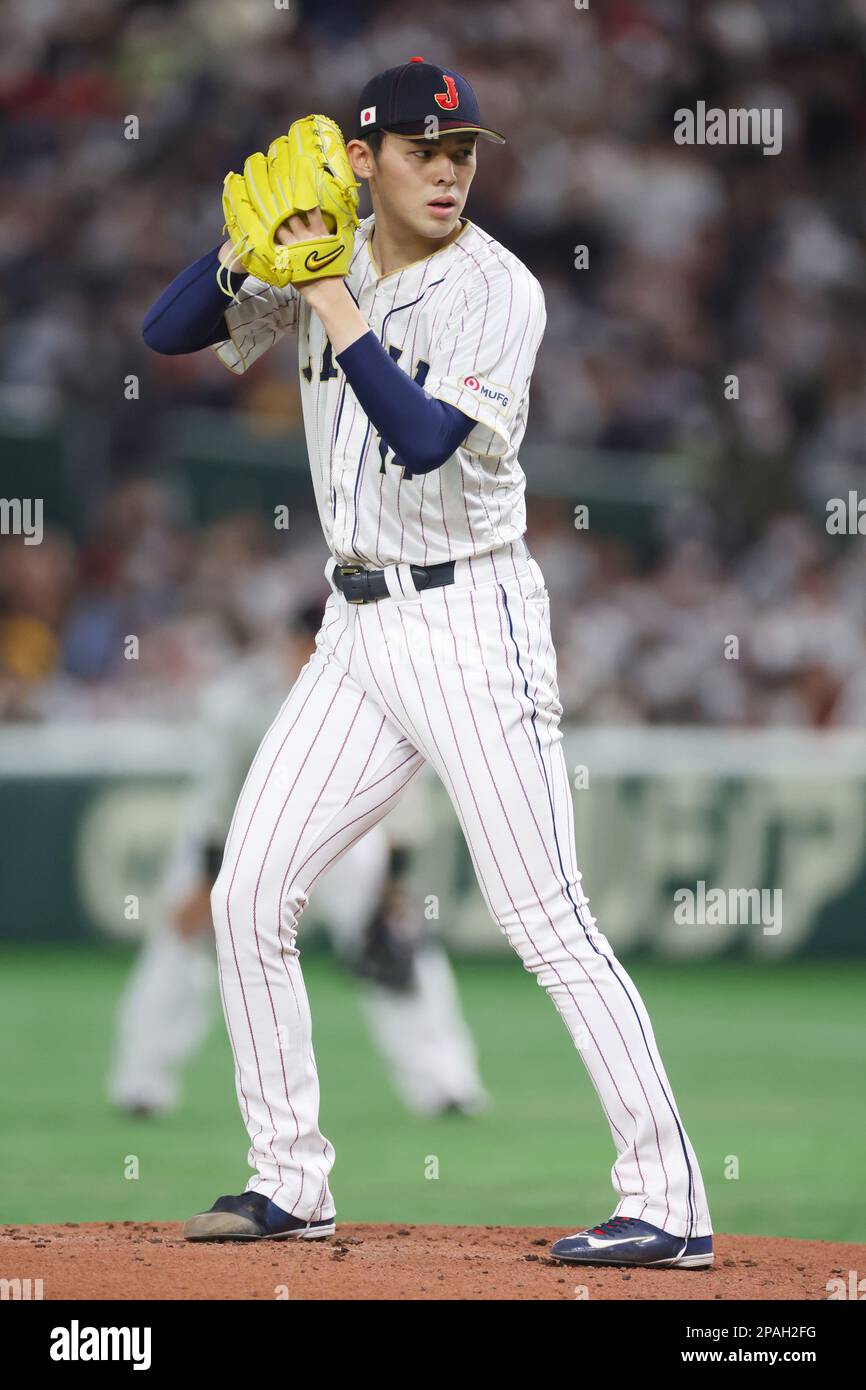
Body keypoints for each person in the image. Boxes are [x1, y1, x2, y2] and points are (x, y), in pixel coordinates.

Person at [142, 57, 713, 1268]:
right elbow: (167, 331)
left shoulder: (497, 290)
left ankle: (668, 1201)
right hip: (354, 628)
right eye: (420, 148)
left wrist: (326, 293)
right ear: (363, 159)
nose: (448, 169)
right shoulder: (324, 242)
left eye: (461, 151)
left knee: (542, 915)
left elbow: (420, 440)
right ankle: (288, 1179)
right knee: (249, 895)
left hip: (468, 618)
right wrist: (247, 251)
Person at [106, 601, 489, 1123]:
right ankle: (142, 1082)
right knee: (181, 940)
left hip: (345, 835)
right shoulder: (243, 700)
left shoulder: (385, 685)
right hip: (241, 834)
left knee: (396, 941)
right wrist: (206, 878)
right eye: (304, 643)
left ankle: (446, 1084)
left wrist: (392, 886)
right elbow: (220, 800)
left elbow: (406, 796)